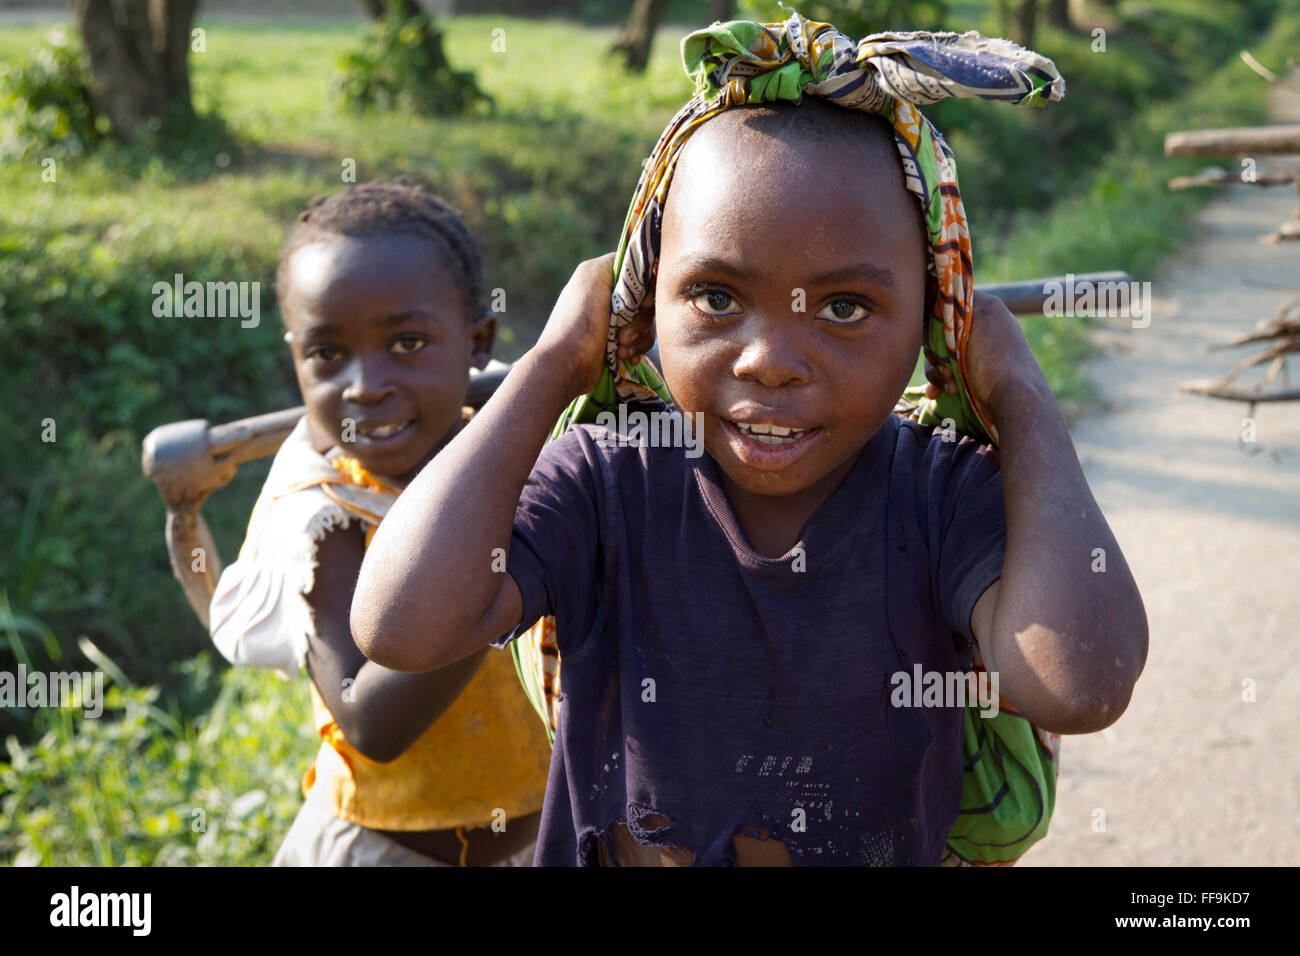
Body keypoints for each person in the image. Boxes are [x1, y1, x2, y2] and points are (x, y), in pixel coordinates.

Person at [351, 17, 1148, 866]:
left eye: (844, 308)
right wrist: (552, 364)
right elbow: (401, 625)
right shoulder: (607, 477)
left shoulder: (943, 494)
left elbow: (1079, 684)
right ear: (643, 298)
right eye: (717, 299)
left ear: (930, 325)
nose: (770, 361)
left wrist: (1018, 396)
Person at [208, 179, 551, 866]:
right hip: (385, 851)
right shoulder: (323, 514)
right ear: (295, 360)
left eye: (407, 343)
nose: (366, 385)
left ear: (478, 341)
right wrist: (510, 556)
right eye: (328, 354)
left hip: (540, 837)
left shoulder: (520, 448)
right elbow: (371, 721)